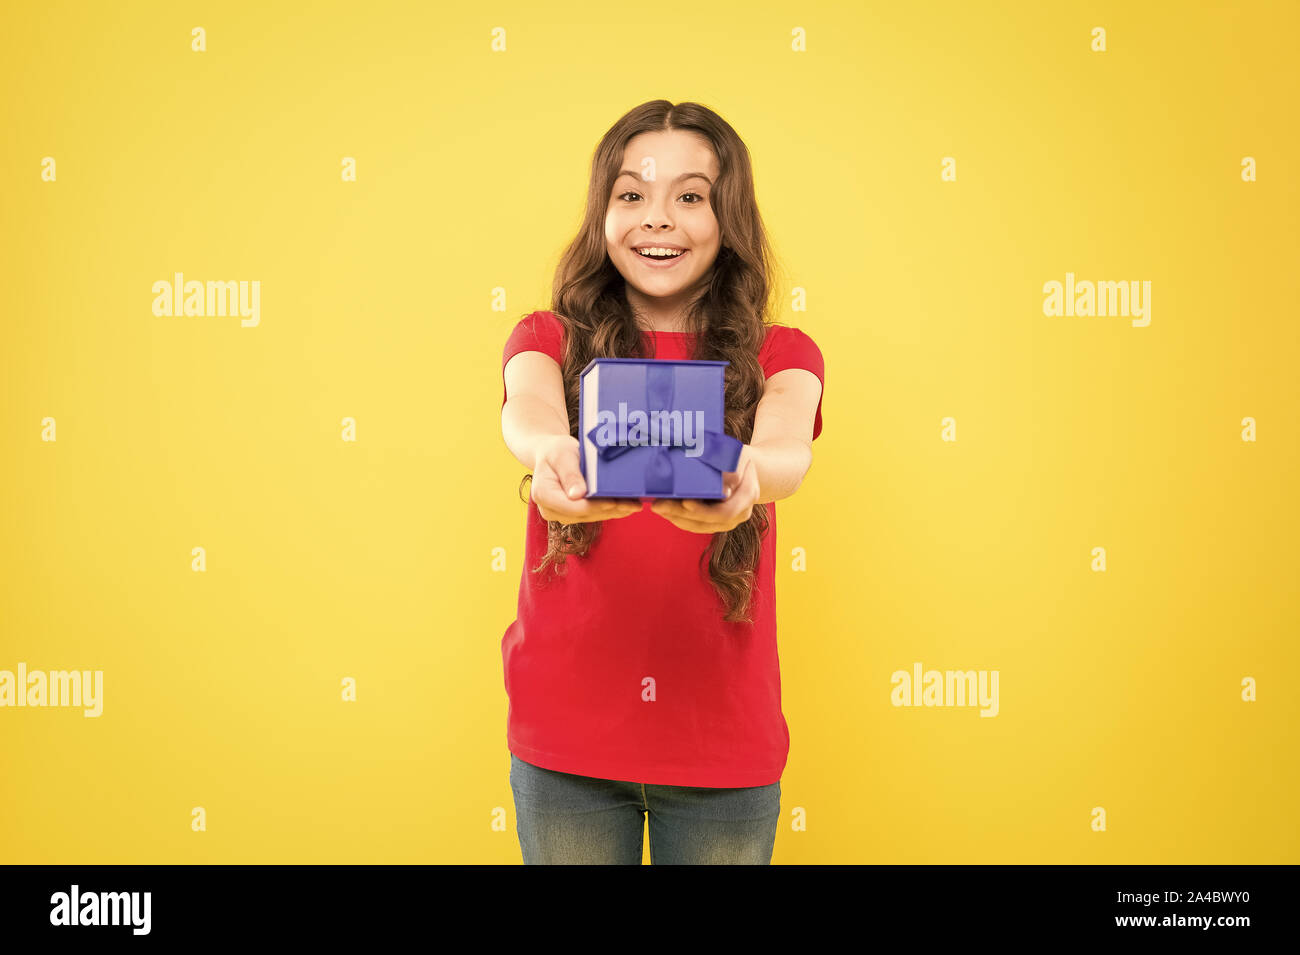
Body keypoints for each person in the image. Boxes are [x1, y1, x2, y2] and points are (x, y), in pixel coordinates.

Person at [499, 100, 825, 864]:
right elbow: (529, 413)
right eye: (631, 194)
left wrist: (747, 474)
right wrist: (553, 458)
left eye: (689, 196)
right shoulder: (546, 338)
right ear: (602, 211)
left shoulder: (784, 351)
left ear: (727, 217)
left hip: (722, 743)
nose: (657, 219)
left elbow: (786, 452)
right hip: (565, 737)